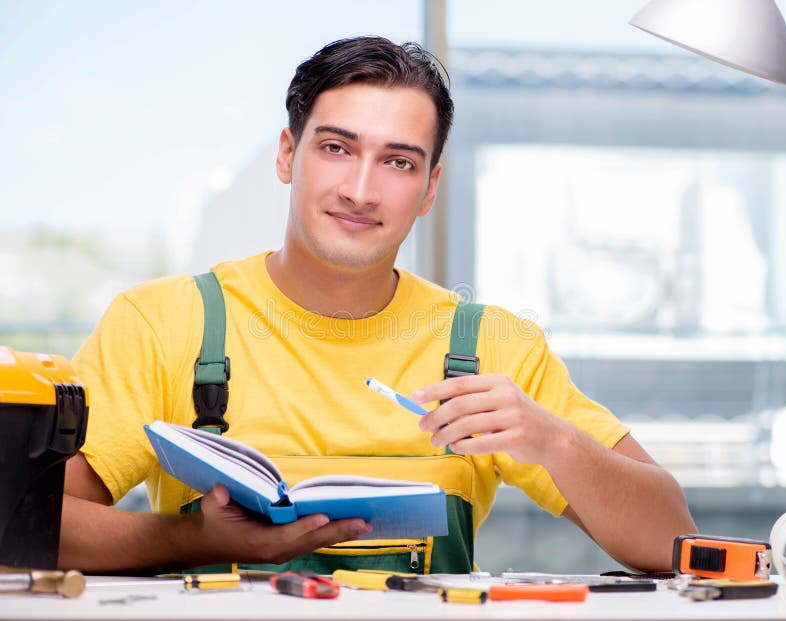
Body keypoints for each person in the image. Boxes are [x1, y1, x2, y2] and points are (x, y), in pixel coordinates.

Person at [59, 35, 696, 574]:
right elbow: (35, 523)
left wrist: (552, 439)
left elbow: (674, 543)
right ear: (288, 155)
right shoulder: (166, 324)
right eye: (336, 148)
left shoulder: (492, 347)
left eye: (398, 161)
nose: (362, 191)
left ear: (428, 189)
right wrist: (196, 539)